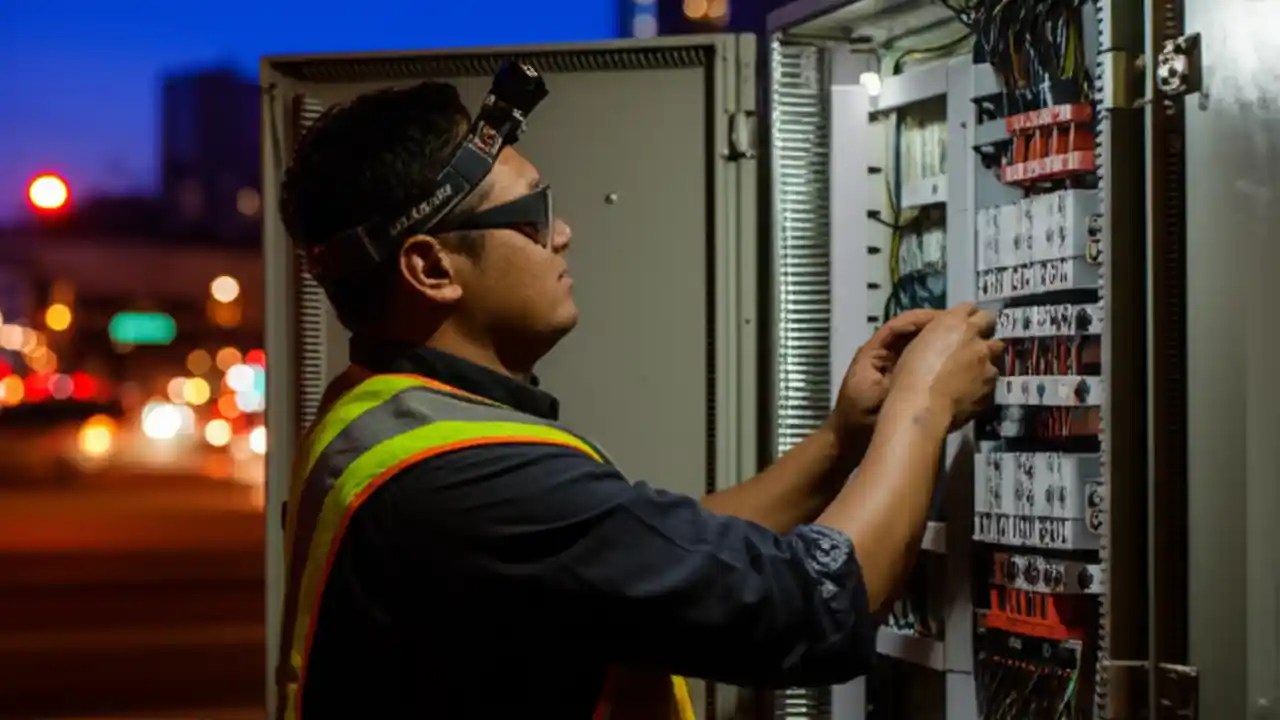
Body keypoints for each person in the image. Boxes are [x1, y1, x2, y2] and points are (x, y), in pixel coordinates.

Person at [274, 76, 1002, 720]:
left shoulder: (380, 420)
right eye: (530, 213)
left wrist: (843, 442)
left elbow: (655, 549)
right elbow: (814, 610)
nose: (561, 234)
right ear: (431, 268)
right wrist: (922, 406)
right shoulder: (465, 479)